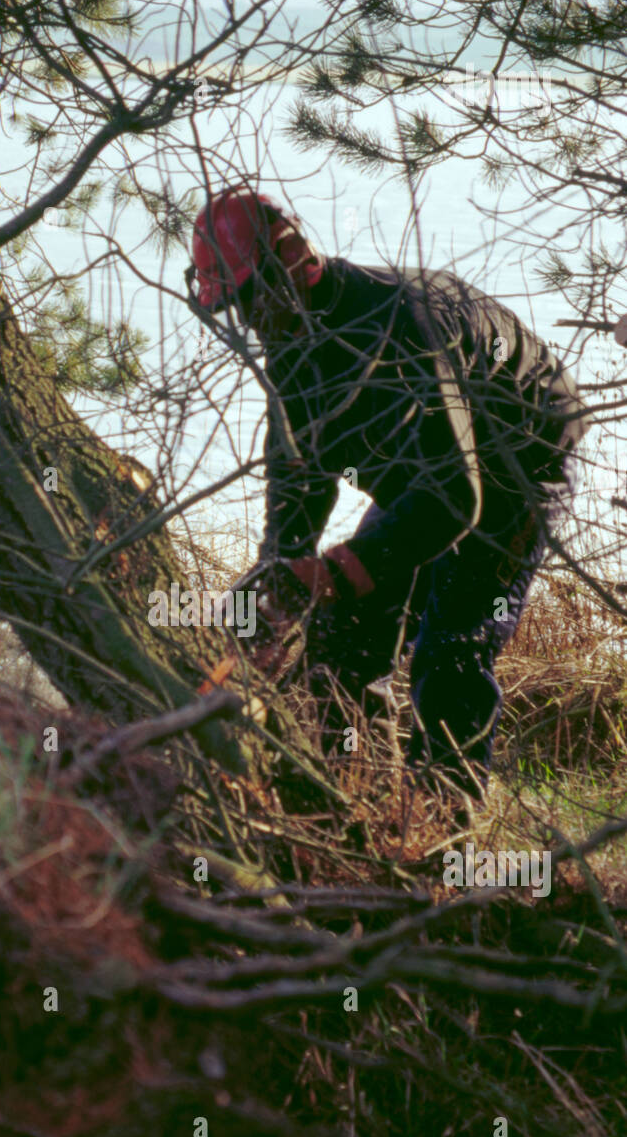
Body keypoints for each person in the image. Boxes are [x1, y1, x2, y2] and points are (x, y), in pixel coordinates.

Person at [187, 187, 592, 802]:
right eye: (235, 305)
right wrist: (275, 585)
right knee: (341, 633)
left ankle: (444, 824)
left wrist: (335, 571)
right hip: (431, 468)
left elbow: (456, 499)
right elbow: (296, 483)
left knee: (451, 644)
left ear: (292, 260)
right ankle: (358, 804)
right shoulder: (292, 355)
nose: (249, 319)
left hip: (519, 456)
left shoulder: (402, 324)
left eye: (251, 297)